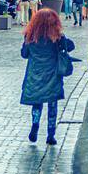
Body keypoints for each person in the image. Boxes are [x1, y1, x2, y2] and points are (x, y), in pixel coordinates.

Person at [19, 8, 74, 145]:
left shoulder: (30, 37)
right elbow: (71, 46)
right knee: (52, 104)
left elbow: (24, 54)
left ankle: (35, 125)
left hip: (35, 75)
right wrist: (62, 36)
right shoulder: (56, 37)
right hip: (52, 75)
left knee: (37, 102)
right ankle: (51, 134)